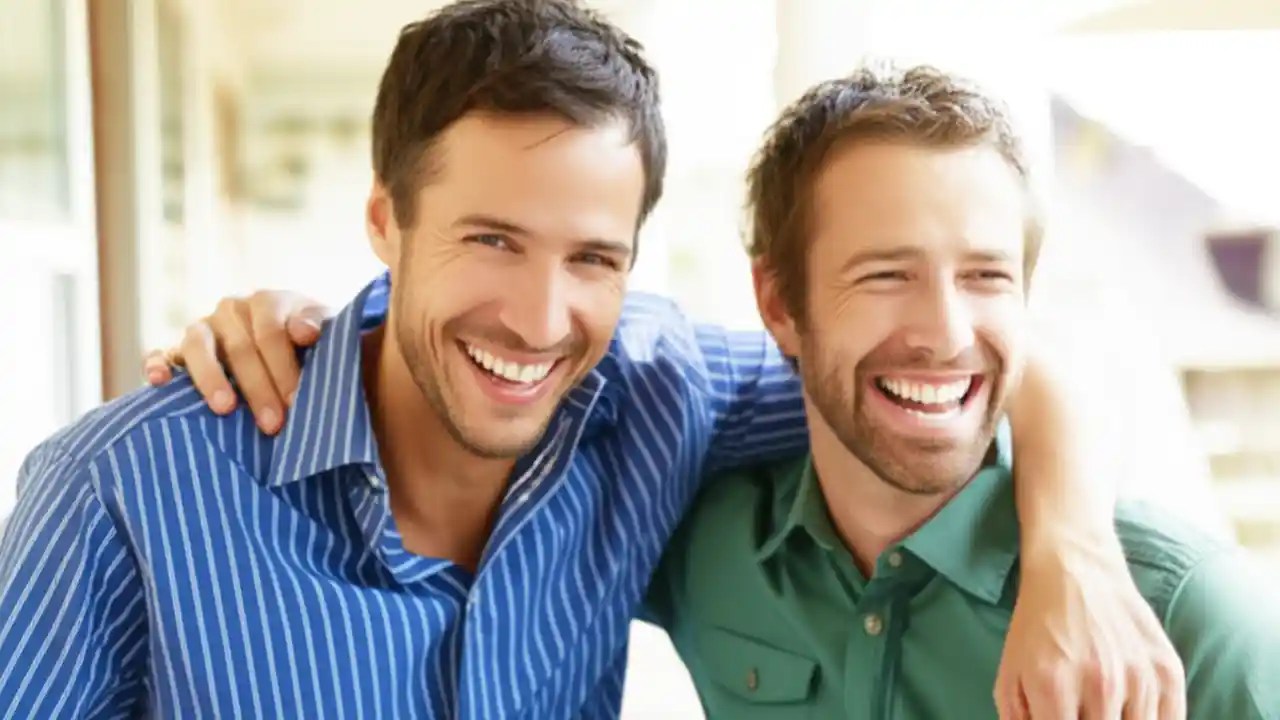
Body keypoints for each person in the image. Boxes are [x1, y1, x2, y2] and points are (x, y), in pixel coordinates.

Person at [0, 1, 1177, 718]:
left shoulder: (655, 390)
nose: (540, 316)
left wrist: (1072, 556)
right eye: (489, 241)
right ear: (383, 224)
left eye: (592, 257)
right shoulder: (118, 492)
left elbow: (951, 358)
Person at [641, 65, 1279, 719]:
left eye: (985, 275)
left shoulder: (1193, 620)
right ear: (778, 303)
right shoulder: (703, 541)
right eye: (887, 275)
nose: (946, 335)